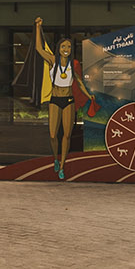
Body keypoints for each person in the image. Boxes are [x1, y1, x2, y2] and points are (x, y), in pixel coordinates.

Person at [32, 17, 94, 179]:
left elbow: (79, 84)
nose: (66, 48)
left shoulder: (73, 64)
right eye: (63, 46)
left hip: (68, 102)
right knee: (53, 135)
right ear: (58, 48)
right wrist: (38, 27)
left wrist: (89, 96)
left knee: (66, 135)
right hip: (55, 100)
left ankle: (63, 165)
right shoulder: (53, 61)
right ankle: (55, 159)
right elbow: (38, 48)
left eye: (68, 46)